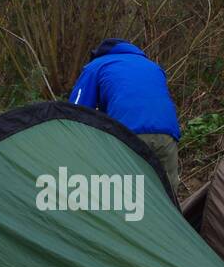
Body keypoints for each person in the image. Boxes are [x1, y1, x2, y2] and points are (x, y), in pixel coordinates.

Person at [69, 38, 181, 196]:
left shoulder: (96, 66)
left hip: (128, 133)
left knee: (123, 194)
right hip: (168, 135)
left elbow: (74, 112)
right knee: (167, 195)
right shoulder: (153, 67)